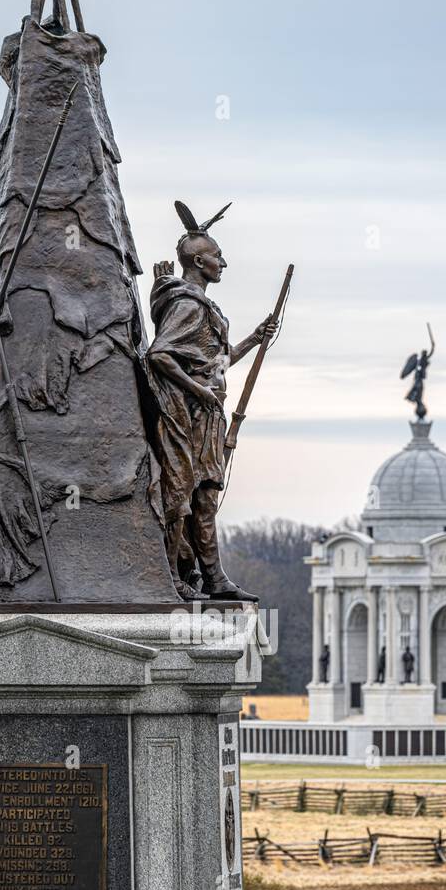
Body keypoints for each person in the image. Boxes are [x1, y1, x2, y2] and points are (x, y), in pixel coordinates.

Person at [145, 202, 277, 601]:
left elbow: (216, 363)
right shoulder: (188, 304)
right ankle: (170, 577)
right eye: (218, 256)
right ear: (199, 261)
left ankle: (213, 578)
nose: (224, 262)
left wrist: (254, 339)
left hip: (206, 416)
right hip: (186, 416)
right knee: (181, 493)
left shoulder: (202, 306)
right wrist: (199, 390)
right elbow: (160, 355)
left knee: (205, 495)